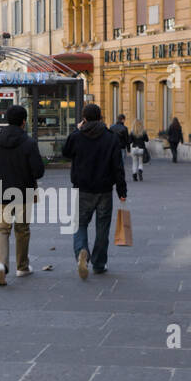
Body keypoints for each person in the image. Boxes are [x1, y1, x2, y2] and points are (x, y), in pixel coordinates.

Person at [62, 102, 127, 279]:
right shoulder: (111, 137)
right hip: (105, 189)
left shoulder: (77, 136)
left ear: (84, 118)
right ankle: (99, 263)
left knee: (80, 224)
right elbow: (118, 167)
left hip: (82, 189)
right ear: (100, 117)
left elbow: (65, 152)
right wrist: (122, 191)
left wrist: (76, 130)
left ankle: (82, 251)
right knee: (102, 227)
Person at [0, 104, 45, 286]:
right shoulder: (29, 143)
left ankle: (1, 264)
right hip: (23, 192)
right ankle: (22, 266)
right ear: (24, 122)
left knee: (2, 229)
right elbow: (38, 171)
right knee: (22, 230)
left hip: (1, 191)